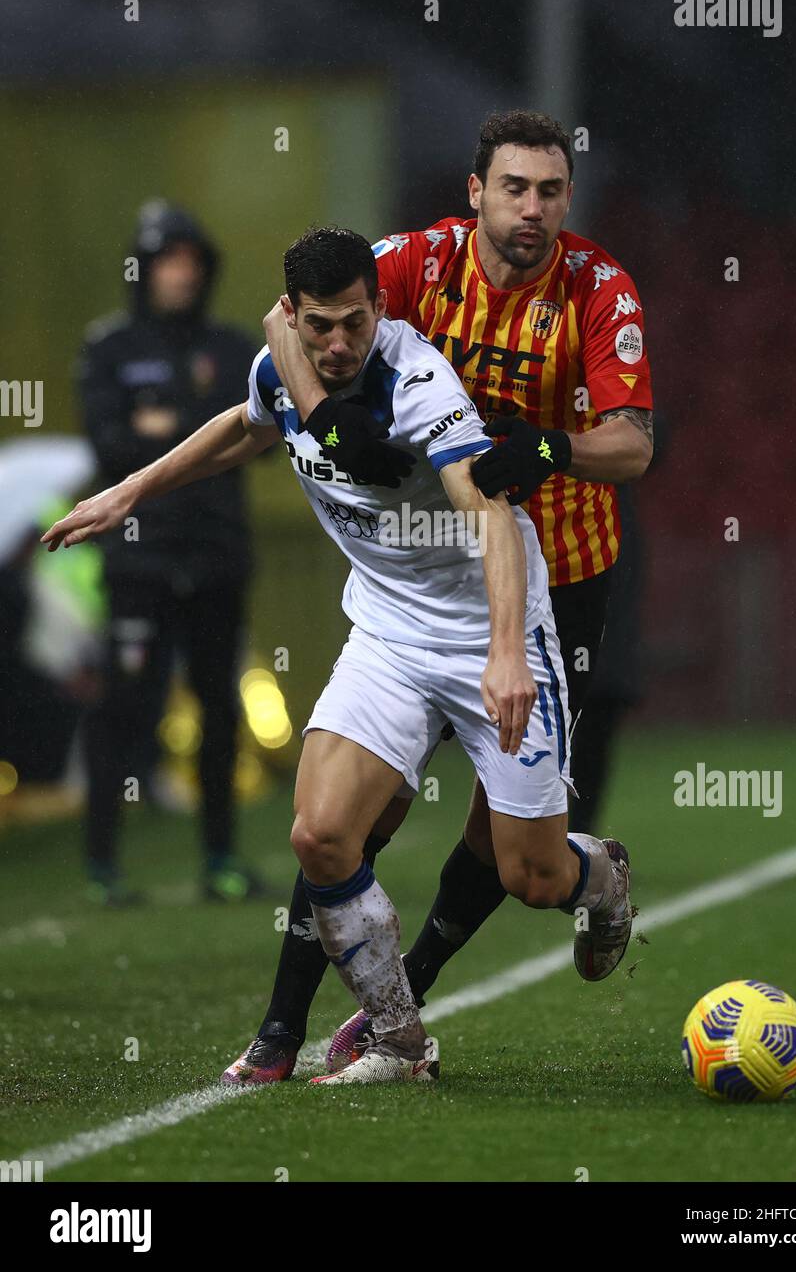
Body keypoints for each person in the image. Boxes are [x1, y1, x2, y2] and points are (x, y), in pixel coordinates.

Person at [42, 226, 634, 1086]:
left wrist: (508, 652)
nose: (338, 342)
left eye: (355, 321)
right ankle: (399, 1040)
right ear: (292, 317)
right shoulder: (278, 366)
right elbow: (245, 430)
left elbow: (494, 516)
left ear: (379, 307)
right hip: (390, 634)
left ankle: (601, 875)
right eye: (319, 324)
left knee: (533, 875)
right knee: (320, 834)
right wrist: (128, 490)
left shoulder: (422, 385)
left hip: (488, 631)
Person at [224, 110, 653, 1083]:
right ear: (475, 191)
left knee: (510, 853)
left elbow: (633, 445)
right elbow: (285, 317)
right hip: (419, 583)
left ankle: (435, 969)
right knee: (343, 821)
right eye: (513, 187)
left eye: (549, 190)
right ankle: (290, 1029)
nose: (530, 208)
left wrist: (549, 446)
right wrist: (332, 426)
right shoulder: (413, 262)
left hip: (559, 577)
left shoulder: (597, 290)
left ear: (565, 200)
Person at [76, 200, 264, 904]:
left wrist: (164, 426)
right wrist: (201, 431)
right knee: (123, 709)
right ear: (144, 269)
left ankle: (220, 859)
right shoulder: (109, 347)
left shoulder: (236, 344)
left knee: (220, 709)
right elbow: (109, 444)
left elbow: (259, 438)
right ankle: (102, 866)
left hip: (217, 558)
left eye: (191, 261)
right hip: (139, 564)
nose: (180, 275)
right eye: (167, 261)